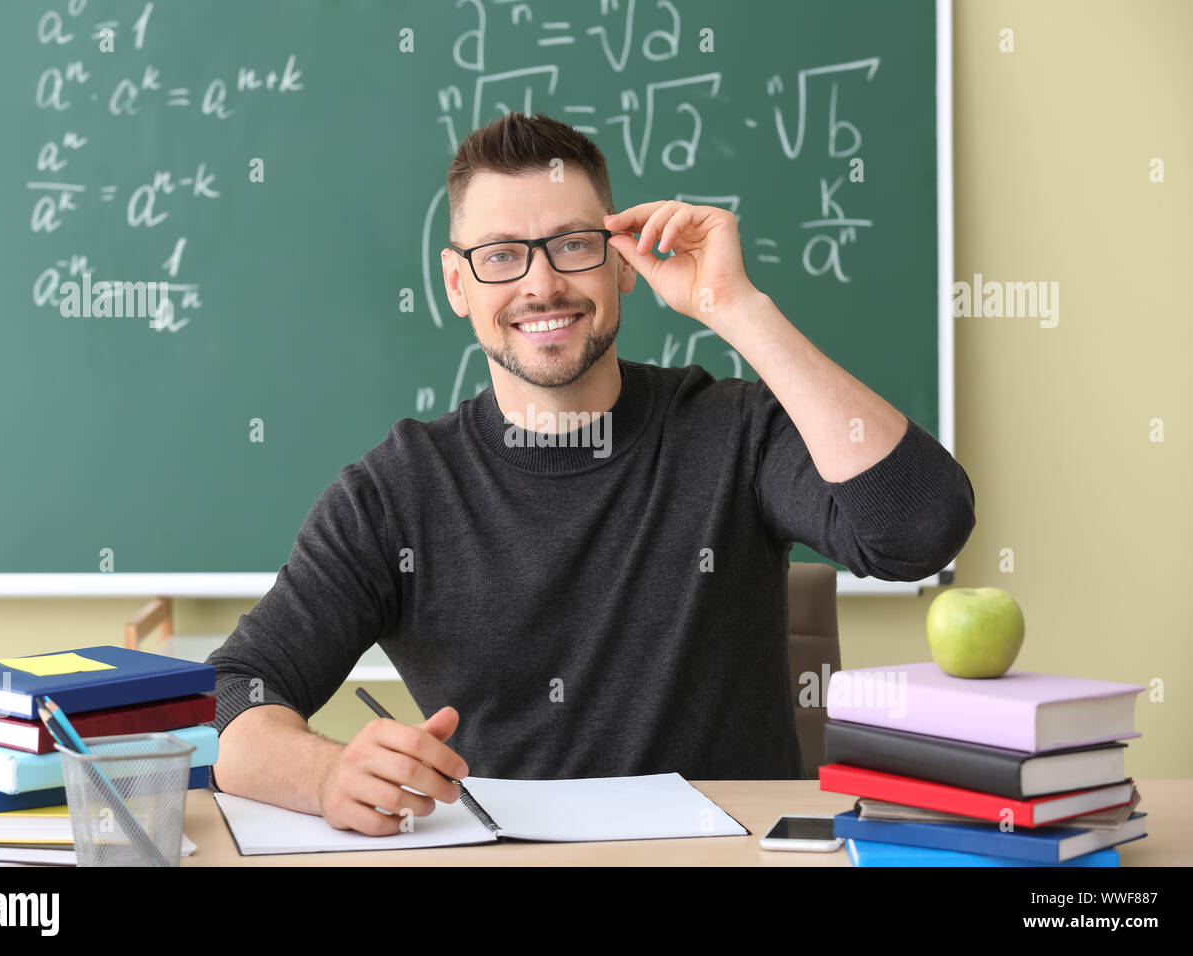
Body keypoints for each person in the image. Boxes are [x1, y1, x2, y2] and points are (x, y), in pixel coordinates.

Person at [207, 111, 975, 836]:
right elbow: (226, 693)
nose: (541, 286)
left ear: (623, 263)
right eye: (502, 255)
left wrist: (735, 307)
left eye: (573, 244)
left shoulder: (734, 431)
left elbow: (920, 531)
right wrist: (328, 775)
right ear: (455, 284)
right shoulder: (395, 494)